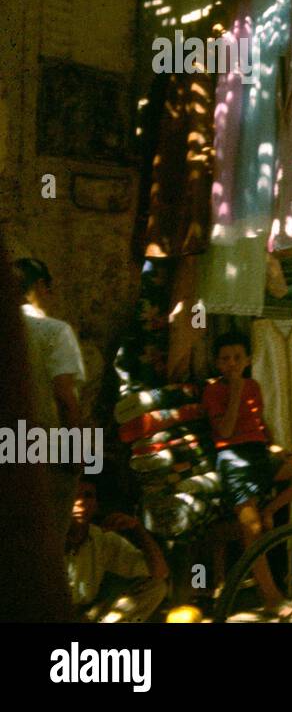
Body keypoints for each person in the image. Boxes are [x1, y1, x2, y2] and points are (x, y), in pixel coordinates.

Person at [202, 331, 292, 613]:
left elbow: (260, 424)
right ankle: (271, 598)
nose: (232, 364)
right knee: (253, 530)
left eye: (237, 358)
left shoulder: (254, 386)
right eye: (225, 359)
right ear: (217, 363)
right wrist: (234, 392)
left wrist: (277, 448)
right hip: (233, 459)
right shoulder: (213, 390)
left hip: (259, 454)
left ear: (247, 360)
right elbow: (225, 431)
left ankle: (271, 509)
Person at [15, 257, 86, 545]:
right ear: (42, 286)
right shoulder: (54, 331)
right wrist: (77, 451)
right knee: (47, 537)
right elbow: (64, 396)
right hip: (43, 442)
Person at [66, 479, 169, 622]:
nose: (80, 503)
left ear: (96, 505)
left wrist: (137, 528)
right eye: (73, 496)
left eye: (87, 496)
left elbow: (159, 572)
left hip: (85, 615)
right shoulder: (46, 538)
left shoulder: (100, 538)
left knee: (156, 588)